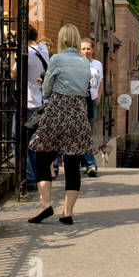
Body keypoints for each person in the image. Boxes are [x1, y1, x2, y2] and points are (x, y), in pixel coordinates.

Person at [28, 23, 93, 224]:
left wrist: (48, 99)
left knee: (42, 156)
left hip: (57, 110)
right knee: (73, 162)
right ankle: (67, 213)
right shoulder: (84, 62)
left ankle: (45, 205)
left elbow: (46, 88)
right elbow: (85, 88)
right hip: (78, 112)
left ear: (62, 40)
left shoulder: (56, 59)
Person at [24, 26, 50, 191]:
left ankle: (31, 178)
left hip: (30, 103)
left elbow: (14, 73)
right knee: (36, 143)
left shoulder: (27, 55)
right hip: (42, 101)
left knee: (22, 142)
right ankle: (38, 176)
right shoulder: (43, 50)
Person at [80, 36, 103, 177]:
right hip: (80, 101)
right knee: (84, 133)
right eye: (83, 48)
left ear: (93, 50)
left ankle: (85, 164)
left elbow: (100, 81)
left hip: (92, 101)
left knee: (87, 132)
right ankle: (91, 164)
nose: (86, 51)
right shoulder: (76, 63)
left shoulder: (97, 64)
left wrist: (99, 96)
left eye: (88, 48)